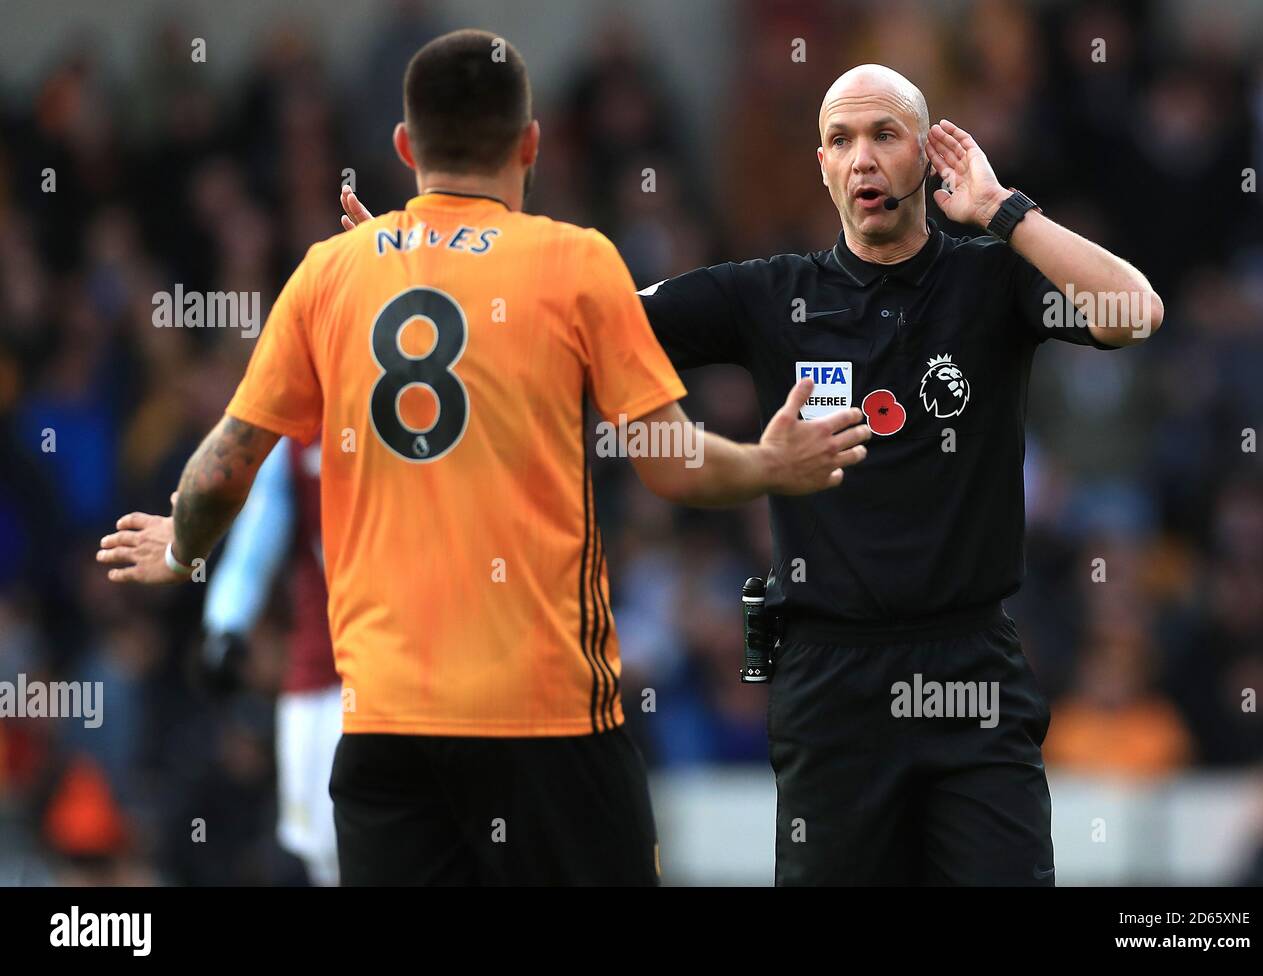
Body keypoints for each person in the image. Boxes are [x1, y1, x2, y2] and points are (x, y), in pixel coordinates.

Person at [344, 62, 1167, 884]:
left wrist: (1000, 210)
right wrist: (431, 282)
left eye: (885, 135)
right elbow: (580, 330)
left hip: (971, 678)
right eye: (841, 140)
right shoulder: (772, 296)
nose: (864, 159)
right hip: (830, 683)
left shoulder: (990, 278)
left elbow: (1136, 313)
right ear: (821, 166)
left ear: (930, 155)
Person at [95, 29, 870, 885]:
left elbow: (227, 462)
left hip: (388, 727)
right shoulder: (576, 263)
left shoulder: (328, 274)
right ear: (531, 144)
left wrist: (180, 549)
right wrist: (771, 463)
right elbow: (668, 462)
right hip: (550, 719)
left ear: (403, 147)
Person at [202, 437, 342, 886]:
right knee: (323, 849)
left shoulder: (416, 419)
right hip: (323, 674)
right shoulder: (296, 445)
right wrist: (226, 624)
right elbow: (252, 547)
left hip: (412, 673)